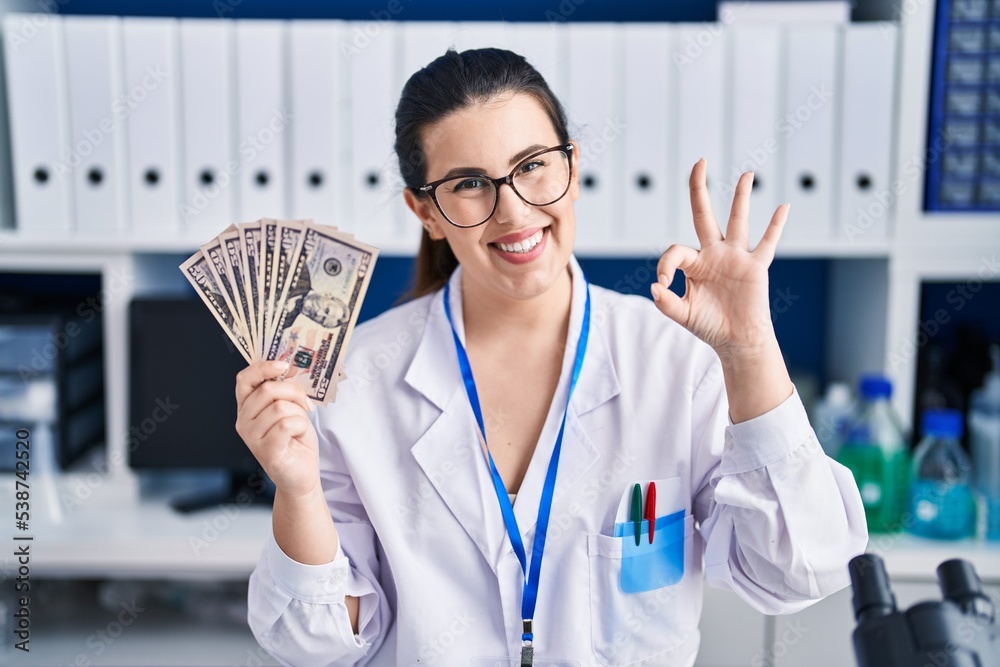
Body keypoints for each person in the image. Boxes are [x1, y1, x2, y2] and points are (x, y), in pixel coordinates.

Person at [237, 48, 867, 666]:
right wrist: (296, 490)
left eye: (533, 166)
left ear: (573, 164)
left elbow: (800, 569)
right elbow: (317, 645)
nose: (514, 211)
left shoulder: (676, 362)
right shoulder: (356, 382)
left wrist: (750, 349)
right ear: (426, 212)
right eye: (469, 184)